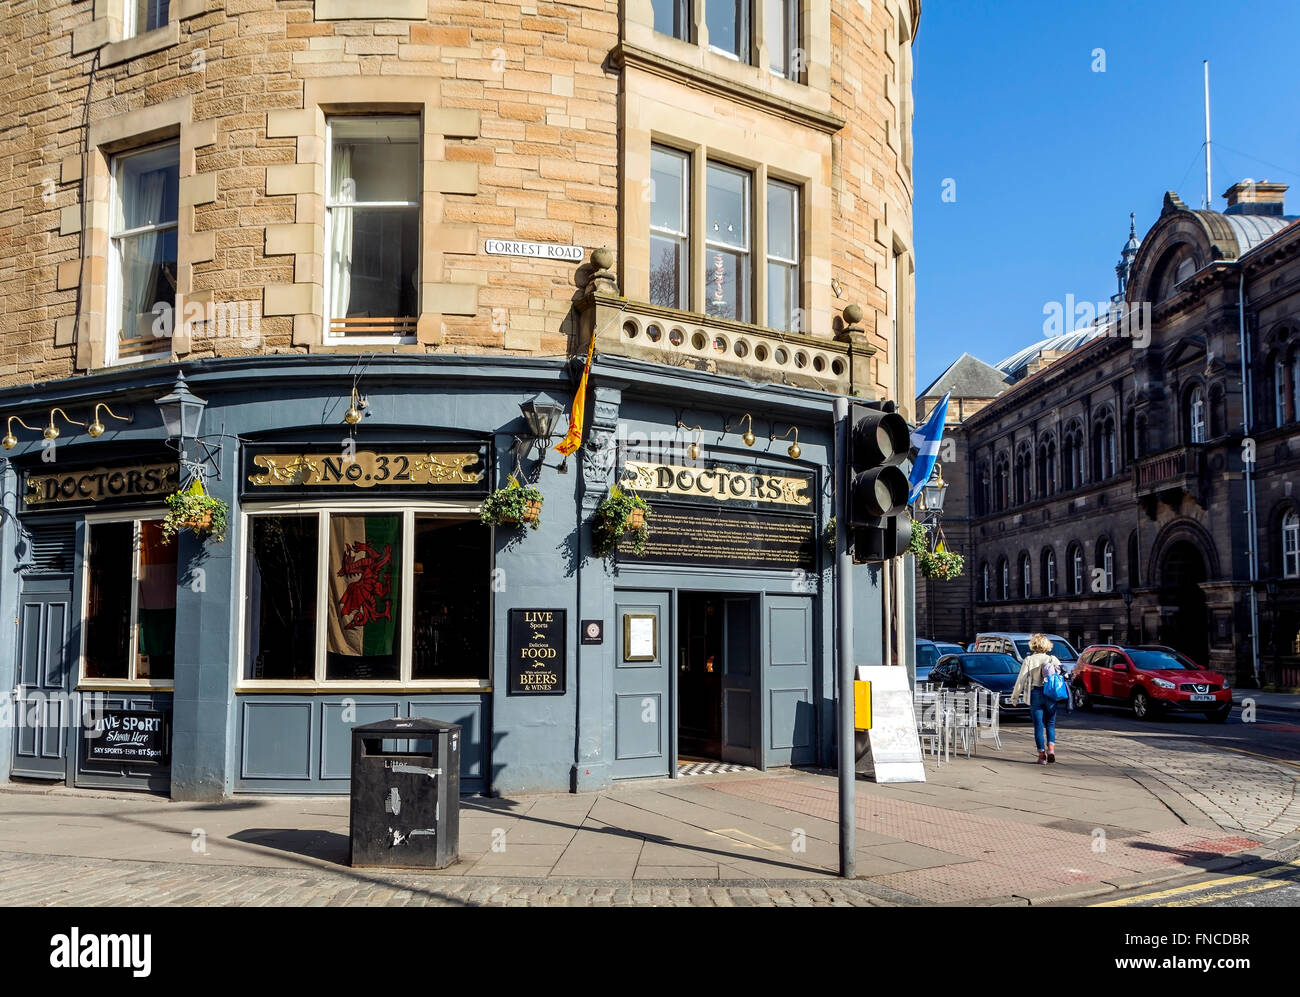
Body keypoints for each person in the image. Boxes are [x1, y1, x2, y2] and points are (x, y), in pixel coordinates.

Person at [1011, 632, 1063, 764]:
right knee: (1050, 724)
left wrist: (1015, 697)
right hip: (1050, 694)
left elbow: (1021, 680)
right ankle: (1051, 749)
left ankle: (1041, 756)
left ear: (1033, 645)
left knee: (1038, 726)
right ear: (1047, 645)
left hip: (1036, 693)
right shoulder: (1053, 659)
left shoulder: (1029, 660)